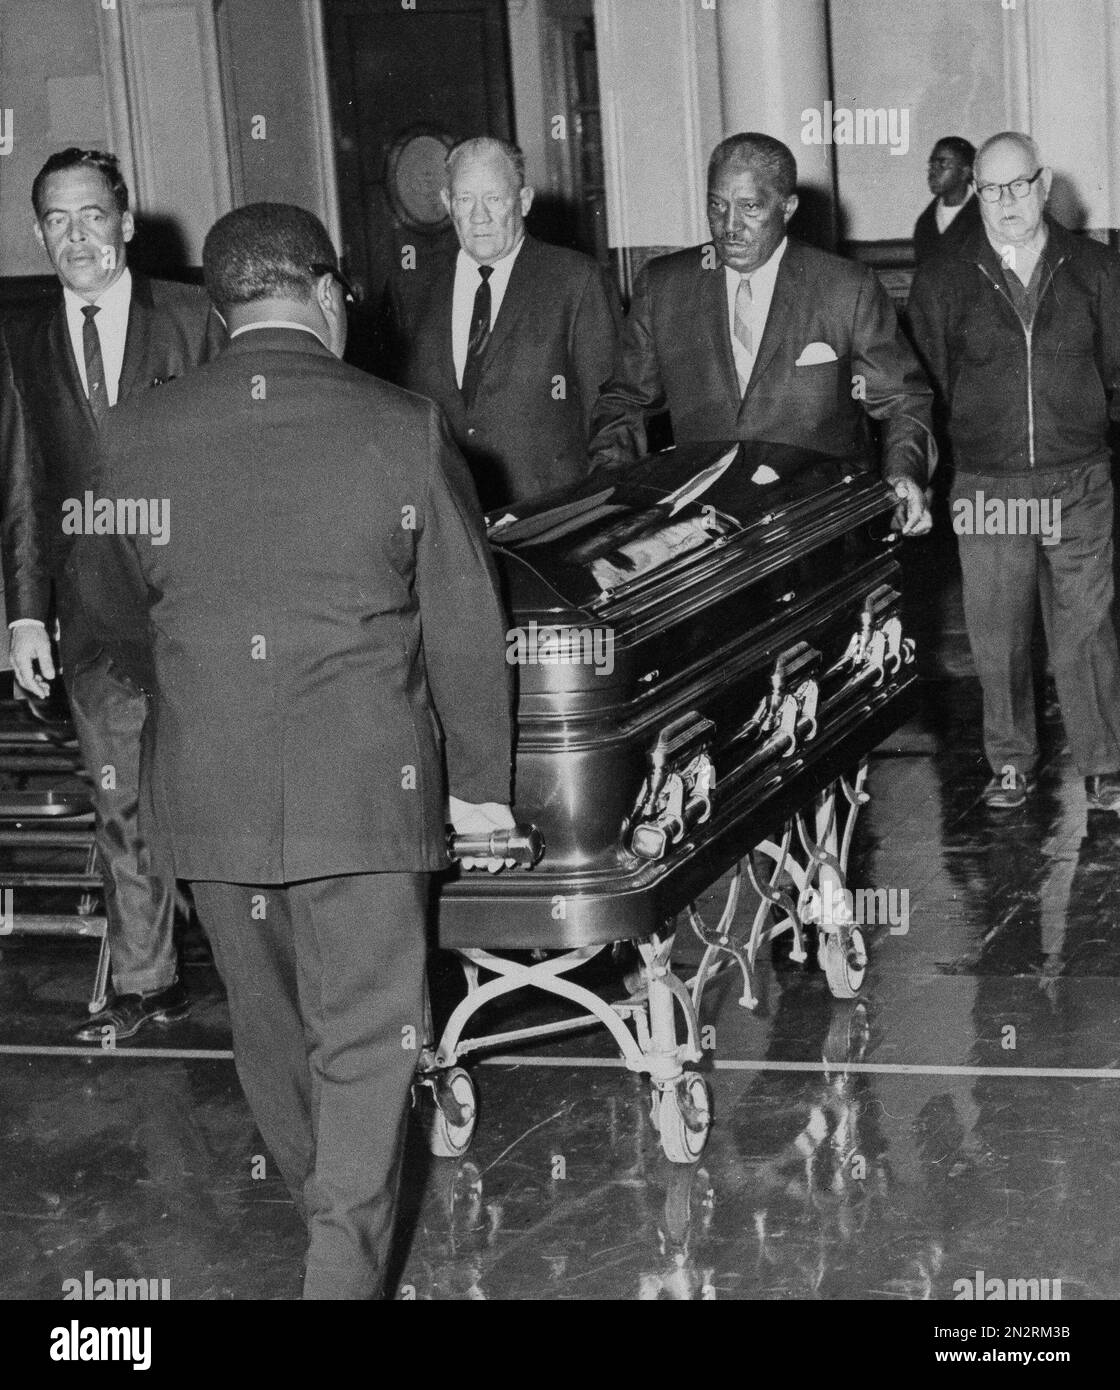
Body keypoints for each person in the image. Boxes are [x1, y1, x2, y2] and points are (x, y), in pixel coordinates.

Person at [70, 202, 515, 1299]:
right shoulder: (402, 423)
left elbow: (108, 625)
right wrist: (479, 796)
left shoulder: (133, 433)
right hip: (368, 796)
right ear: (326, 293)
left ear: (219, 311)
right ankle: (341, 1269)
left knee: (274, 1042)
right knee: (367, 1047)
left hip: (211, 799)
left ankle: (338, 1241)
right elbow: (464, 622)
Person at [0, 148, 223, 1041]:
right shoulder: (26, 340)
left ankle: (262, 972)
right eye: (56, 220)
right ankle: (144, 982)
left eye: (92, 215)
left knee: (220, 797)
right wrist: (23, 613)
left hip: (200, 611)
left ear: (127, 222)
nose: (76, 236)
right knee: (118, 801)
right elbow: (23, 486)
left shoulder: (193, 317)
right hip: (91, 619)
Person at [908, 132, 1120, 811]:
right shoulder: (944, 274)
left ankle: (1105, 765)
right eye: (990, 190)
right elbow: (932, 377)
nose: (1005, 203)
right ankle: (1010, 763)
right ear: (976, 192)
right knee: (997, 631)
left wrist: (1086, 432)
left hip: (1078, 479)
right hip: (990, 484)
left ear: (1044, 182)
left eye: (1018, 186)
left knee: (1087, 627)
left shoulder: (1094, 267)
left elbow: (1115, 372)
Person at [587, 132, 935, 534]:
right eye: (717, 206)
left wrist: (904, 475)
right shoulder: (664, 286)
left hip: (819, 525)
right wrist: (613, 492)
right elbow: (625, 400)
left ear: (787, 207)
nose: (729, 226)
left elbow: (902, 399)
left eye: (749, 207)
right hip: (700, 534)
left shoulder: (846, 288)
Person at [395, 136, 619, 510]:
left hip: (550, 518)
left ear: (524, 200)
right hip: (448, 522)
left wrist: (601, 512)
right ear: (448, 204)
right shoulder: (411, 286)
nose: (479, 216)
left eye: (495, 199)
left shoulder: (575, 281)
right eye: (465, 200)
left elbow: (611, 415)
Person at [913, 137, 982, 267]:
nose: (933, 171)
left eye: (942, 164)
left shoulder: (983, 216)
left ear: (965, 172)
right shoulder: (925, 223)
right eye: (931, 165)